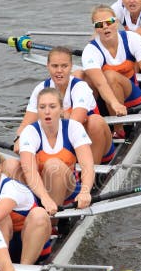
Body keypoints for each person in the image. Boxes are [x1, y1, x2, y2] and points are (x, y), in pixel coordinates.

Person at [12, 47, 115, 167]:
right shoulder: (40, 89)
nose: (59, 71)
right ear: (48, 66)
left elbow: (74, 124)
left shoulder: (80, 87)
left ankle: (92, 175)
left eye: (64, 66)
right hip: (65, 145)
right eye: (55, 66)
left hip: (92, 145)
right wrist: (19, 139)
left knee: (95, 121)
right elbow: (25, 124)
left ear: (71, 66)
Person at [80, 5, 141, 121]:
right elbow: (100, 84)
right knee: (79, 76)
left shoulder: (133, 39)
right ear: (95, 29)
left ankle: (118, 128)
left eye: (109, 22)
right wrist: (115, 103)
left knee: (110, 75)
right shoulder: (90, 50)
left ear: (116, 22)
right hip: (108, 99)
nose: (105, 27)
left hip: (131, 94)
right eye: (99, 24)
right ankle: (92, 118)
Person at [17, 87, 95, 215]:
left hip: (69, 189)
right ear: (37, 110)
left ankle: (54, 222)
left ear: (61, 109)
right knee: (10, 166)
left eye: (52, 107)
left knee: (54, 165)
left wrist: (85, 192)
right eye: (42, 107)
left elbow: (87, 165)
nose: (47, 111)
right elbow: (29, 171)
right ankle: (21, 218)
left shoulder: (73, 127)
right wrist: (45, 198)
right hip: (40, 189)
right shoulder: (30, 131)